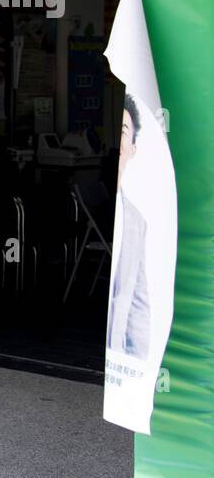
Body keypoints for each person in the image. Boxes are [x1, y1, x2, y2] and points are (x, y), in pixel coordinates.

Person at [107, 94, 150, 358]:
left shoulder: (136, 221)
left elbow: (139, 300)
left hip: (118, 354)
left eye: (125, 131)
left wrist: (138, 360)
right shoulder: (105, 202)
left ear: (133, 148)